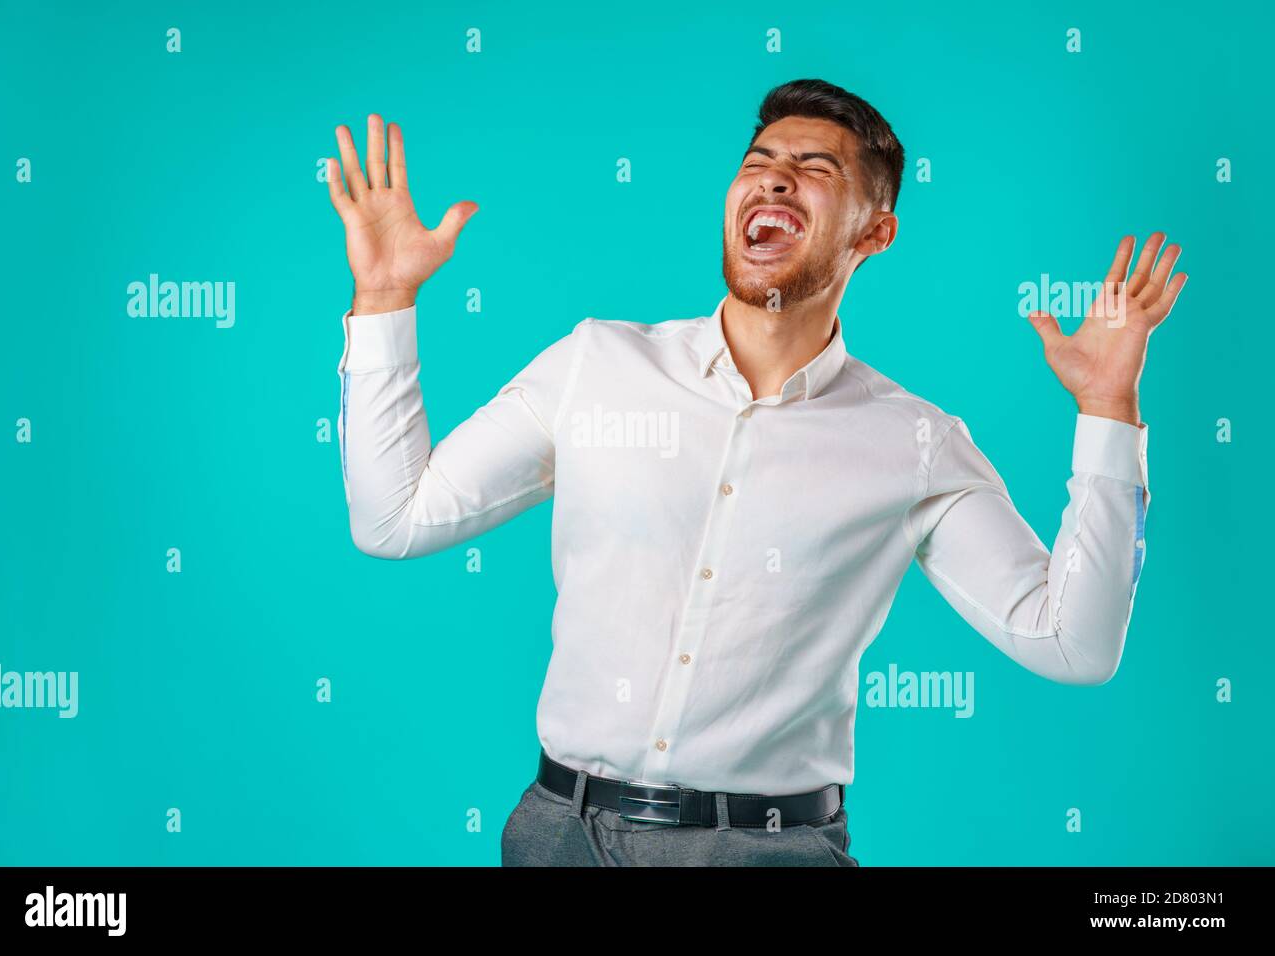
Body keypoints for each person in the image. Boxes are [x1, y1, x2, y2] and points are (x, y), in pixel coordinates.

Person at [324, 78, 1186, 866]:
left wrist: (1109, 409)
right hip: (557, 836)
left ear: (875, 232)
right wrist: (384, 301)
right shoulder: (598, 363)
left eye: (814, 168)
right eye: (760, 162)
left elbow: (1076, 643)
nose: (775, 180)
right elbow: (393, 520)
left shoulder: (916, 442)